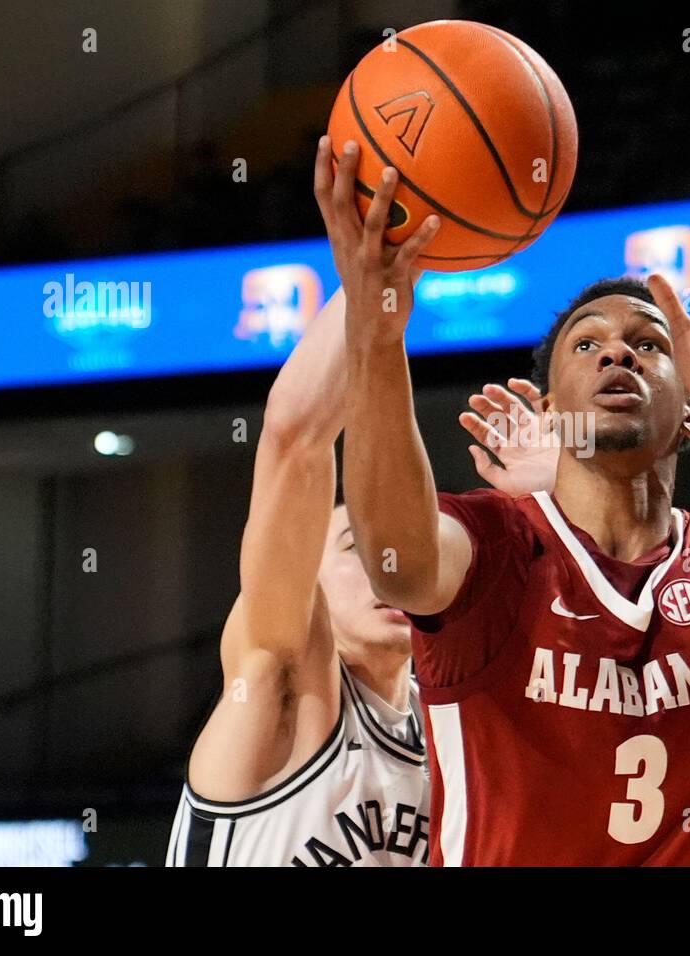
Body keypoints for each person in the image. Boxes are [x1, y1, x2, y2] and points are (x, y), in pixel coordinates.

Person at [334, 133, 690, 865]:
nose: (619, 352)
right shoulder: (496, 546)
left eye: (651, 344)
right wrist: (378, 338)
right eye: (587, 343)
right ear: (549, 410)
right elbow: (396, 563)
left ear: (688, 412)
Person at [166, 137, 553, 866]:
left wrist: (556, 498)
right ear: (303, 577)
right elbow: (293, 442)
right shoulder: (280, 683)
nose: (385, 568)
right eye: (353, 549)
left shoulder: (453, 730)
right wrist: (375, 284)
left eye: (395, 551)